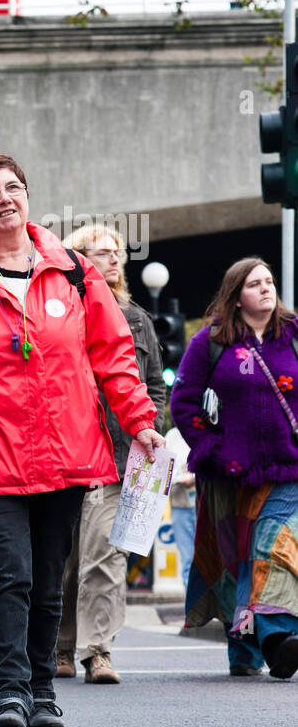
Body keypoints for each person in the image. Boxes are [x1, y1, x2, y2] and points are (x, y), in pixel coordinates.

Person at [0, 152, 161, 727]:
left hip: (69, 453)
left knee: (50, 580)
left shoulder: (74, 273)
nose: (6, 197)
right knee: (10, 576)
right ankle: (8, 693)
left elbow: (114, 357)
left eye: (14, 187)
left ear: (28, 197)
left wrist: (140, 420)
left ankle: (44, 689)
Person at [170, 257, 298, 678]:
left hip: (286, 470)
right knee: (234, 559)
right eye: (254, 284)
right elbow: (183, 402)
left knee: (270, 546)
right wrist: (209, 447)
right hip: (226, 472)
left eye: (269, 282)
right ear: (236, 295)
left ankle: (279, 637)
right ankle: (245, 650)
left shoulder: (294, 336)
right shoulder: (211, 342)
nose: (266, 289)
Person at [56, 223, 167, 685]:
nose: (115, 260)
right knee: (61, 561)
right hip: (64, 455)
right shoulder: (58, 311)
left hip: (119, 460)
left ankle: (96, 651)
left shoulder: (137, 318)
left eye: (118, 252)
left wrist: (147, 427)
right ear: (79, 259)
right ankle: (59, 647)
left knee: (106, 555)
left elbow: (156, 386)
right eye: (103, 253)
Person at [164, 426, 196, 589]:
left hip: (202, 503)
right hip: (179, 504)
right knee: (187, 559)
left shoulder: (203, 428)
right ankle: (192, 607)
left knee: (207, 557)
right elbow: (165, 468)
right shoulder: (172, 436)